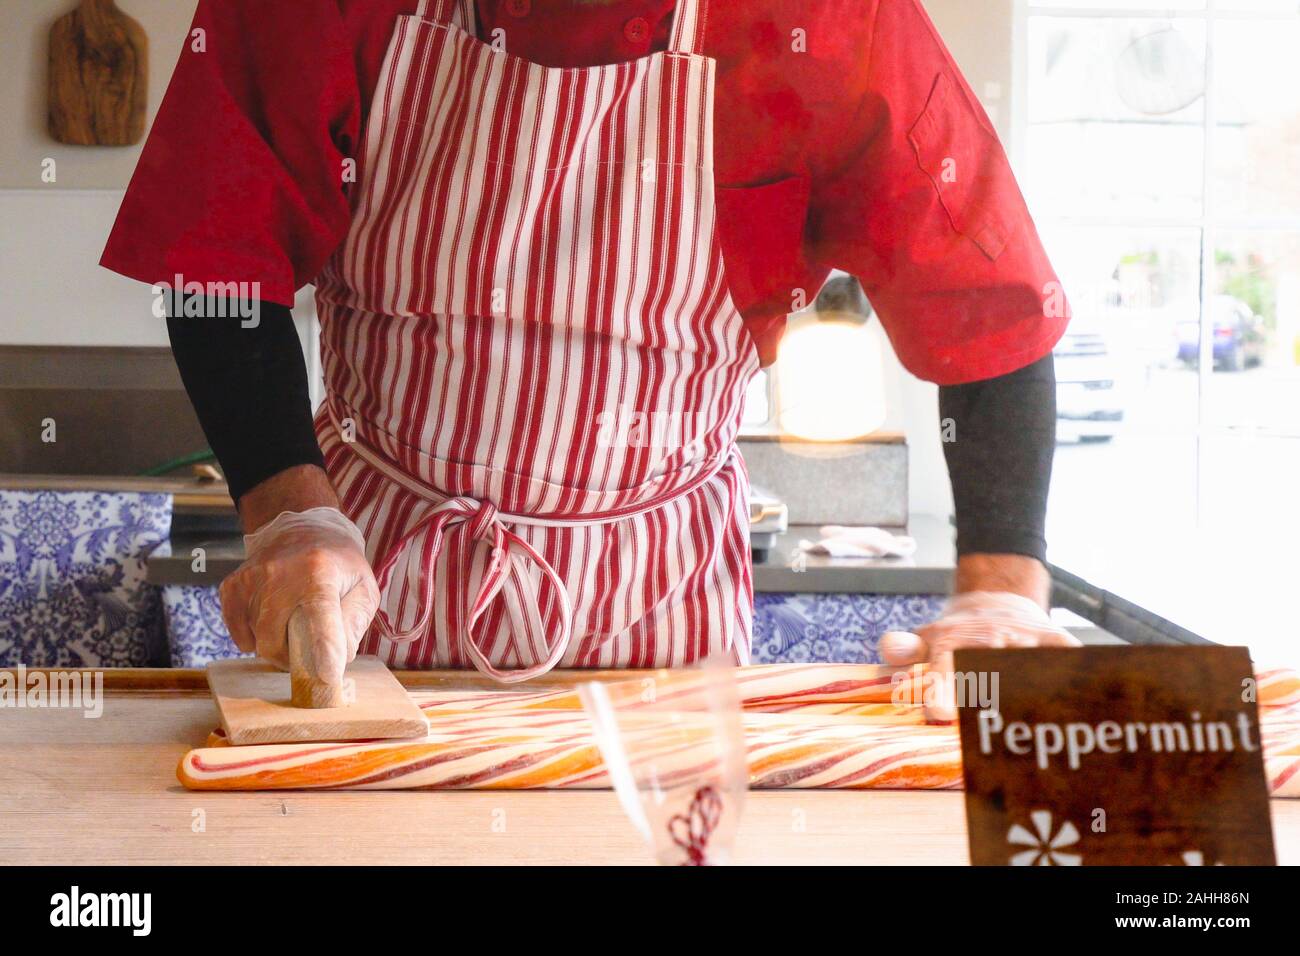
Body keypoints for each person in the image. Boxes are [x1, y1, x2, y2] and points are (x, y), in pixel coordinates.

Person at [102, 0, 1079, 693]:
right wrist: (290, 517)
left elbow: (985, 306)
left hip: (665, 608)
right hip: (367, 601)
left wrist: (999, 592)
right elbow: (218, 256)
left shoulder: (829, 20)